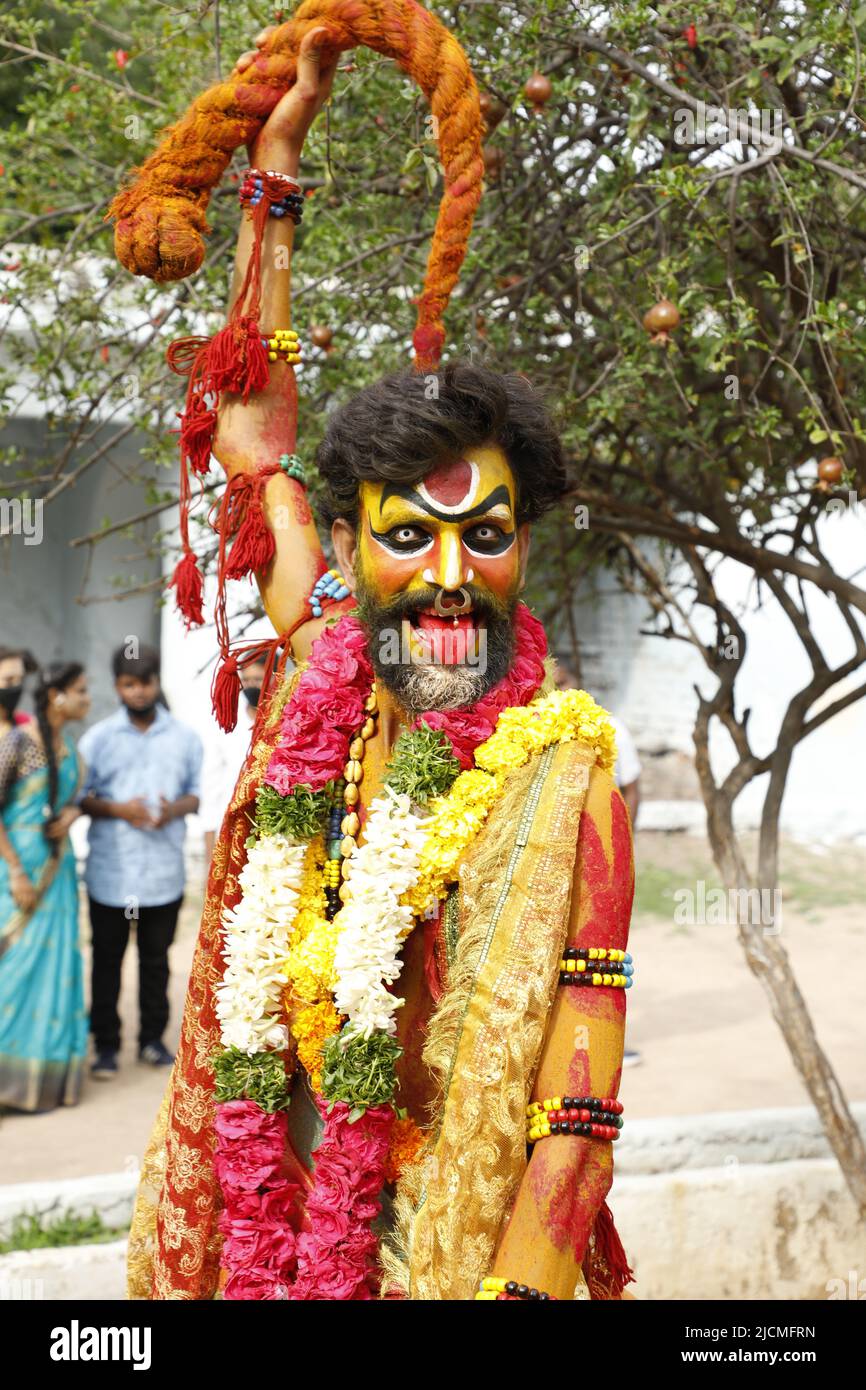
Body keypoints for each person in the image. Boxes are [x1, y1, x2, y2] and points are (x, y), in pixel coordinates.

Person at [126, 27, 634, 1303]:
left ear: (524, 546)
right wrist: (275, 166)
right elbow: (253, 437)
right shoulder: (322, 668)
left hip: (455, 1255)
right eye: (410, 539)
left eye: (489, 536)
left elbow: (580, 1085)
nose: (454, 576)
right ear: (348, 548)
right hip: (276, 1210)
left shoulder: (565, 767)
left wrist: (512, 1286)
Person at [78, 643, 202, 1079]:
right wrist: (118, 809)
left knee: (156, 961)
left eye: (145, 682)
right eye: (129, 684)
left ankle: (151, 1039)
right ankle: (106, 1047)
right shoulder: (97, 740)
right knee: (107, 962)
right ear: (117, 686)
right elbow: (80, 797)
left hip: (162, 873)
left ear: (156, 682)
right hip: (112, 872)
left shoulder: (185, 738)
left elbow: (195, 794)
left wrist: (172, 810)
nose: (138, 691)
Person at [0, 661, 91, 1112]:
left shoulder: (72, 749)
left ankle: (42, 1084)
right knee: (12, 967)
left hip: (57, 872)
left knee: (56, 967)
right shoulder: (17, 741)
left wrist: (74, 814)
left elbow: (73, 801)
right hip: (16, 871)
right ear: (56, 695)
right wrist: (16, 871)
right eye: (80, 690)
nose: (86, 699)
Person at [555, 662, 642, 1067]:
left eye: (565, 683)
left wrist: (621, 853)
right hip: (550, 866)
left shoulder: (610, 729)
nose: (558, 691)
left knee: (599, 960)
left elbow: (631, 788)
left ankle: (605, 1049)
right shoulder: (532, 731)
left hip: (599, 866)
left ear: (578, 685)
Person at [200, 655, 268, 870]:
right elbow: (211, 789)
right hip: (231, 830)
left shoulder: (287, 723)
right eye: (246, 680)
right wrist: (210, 848)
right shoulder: (227, 726)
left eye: (258, 679)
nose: (251, 685)